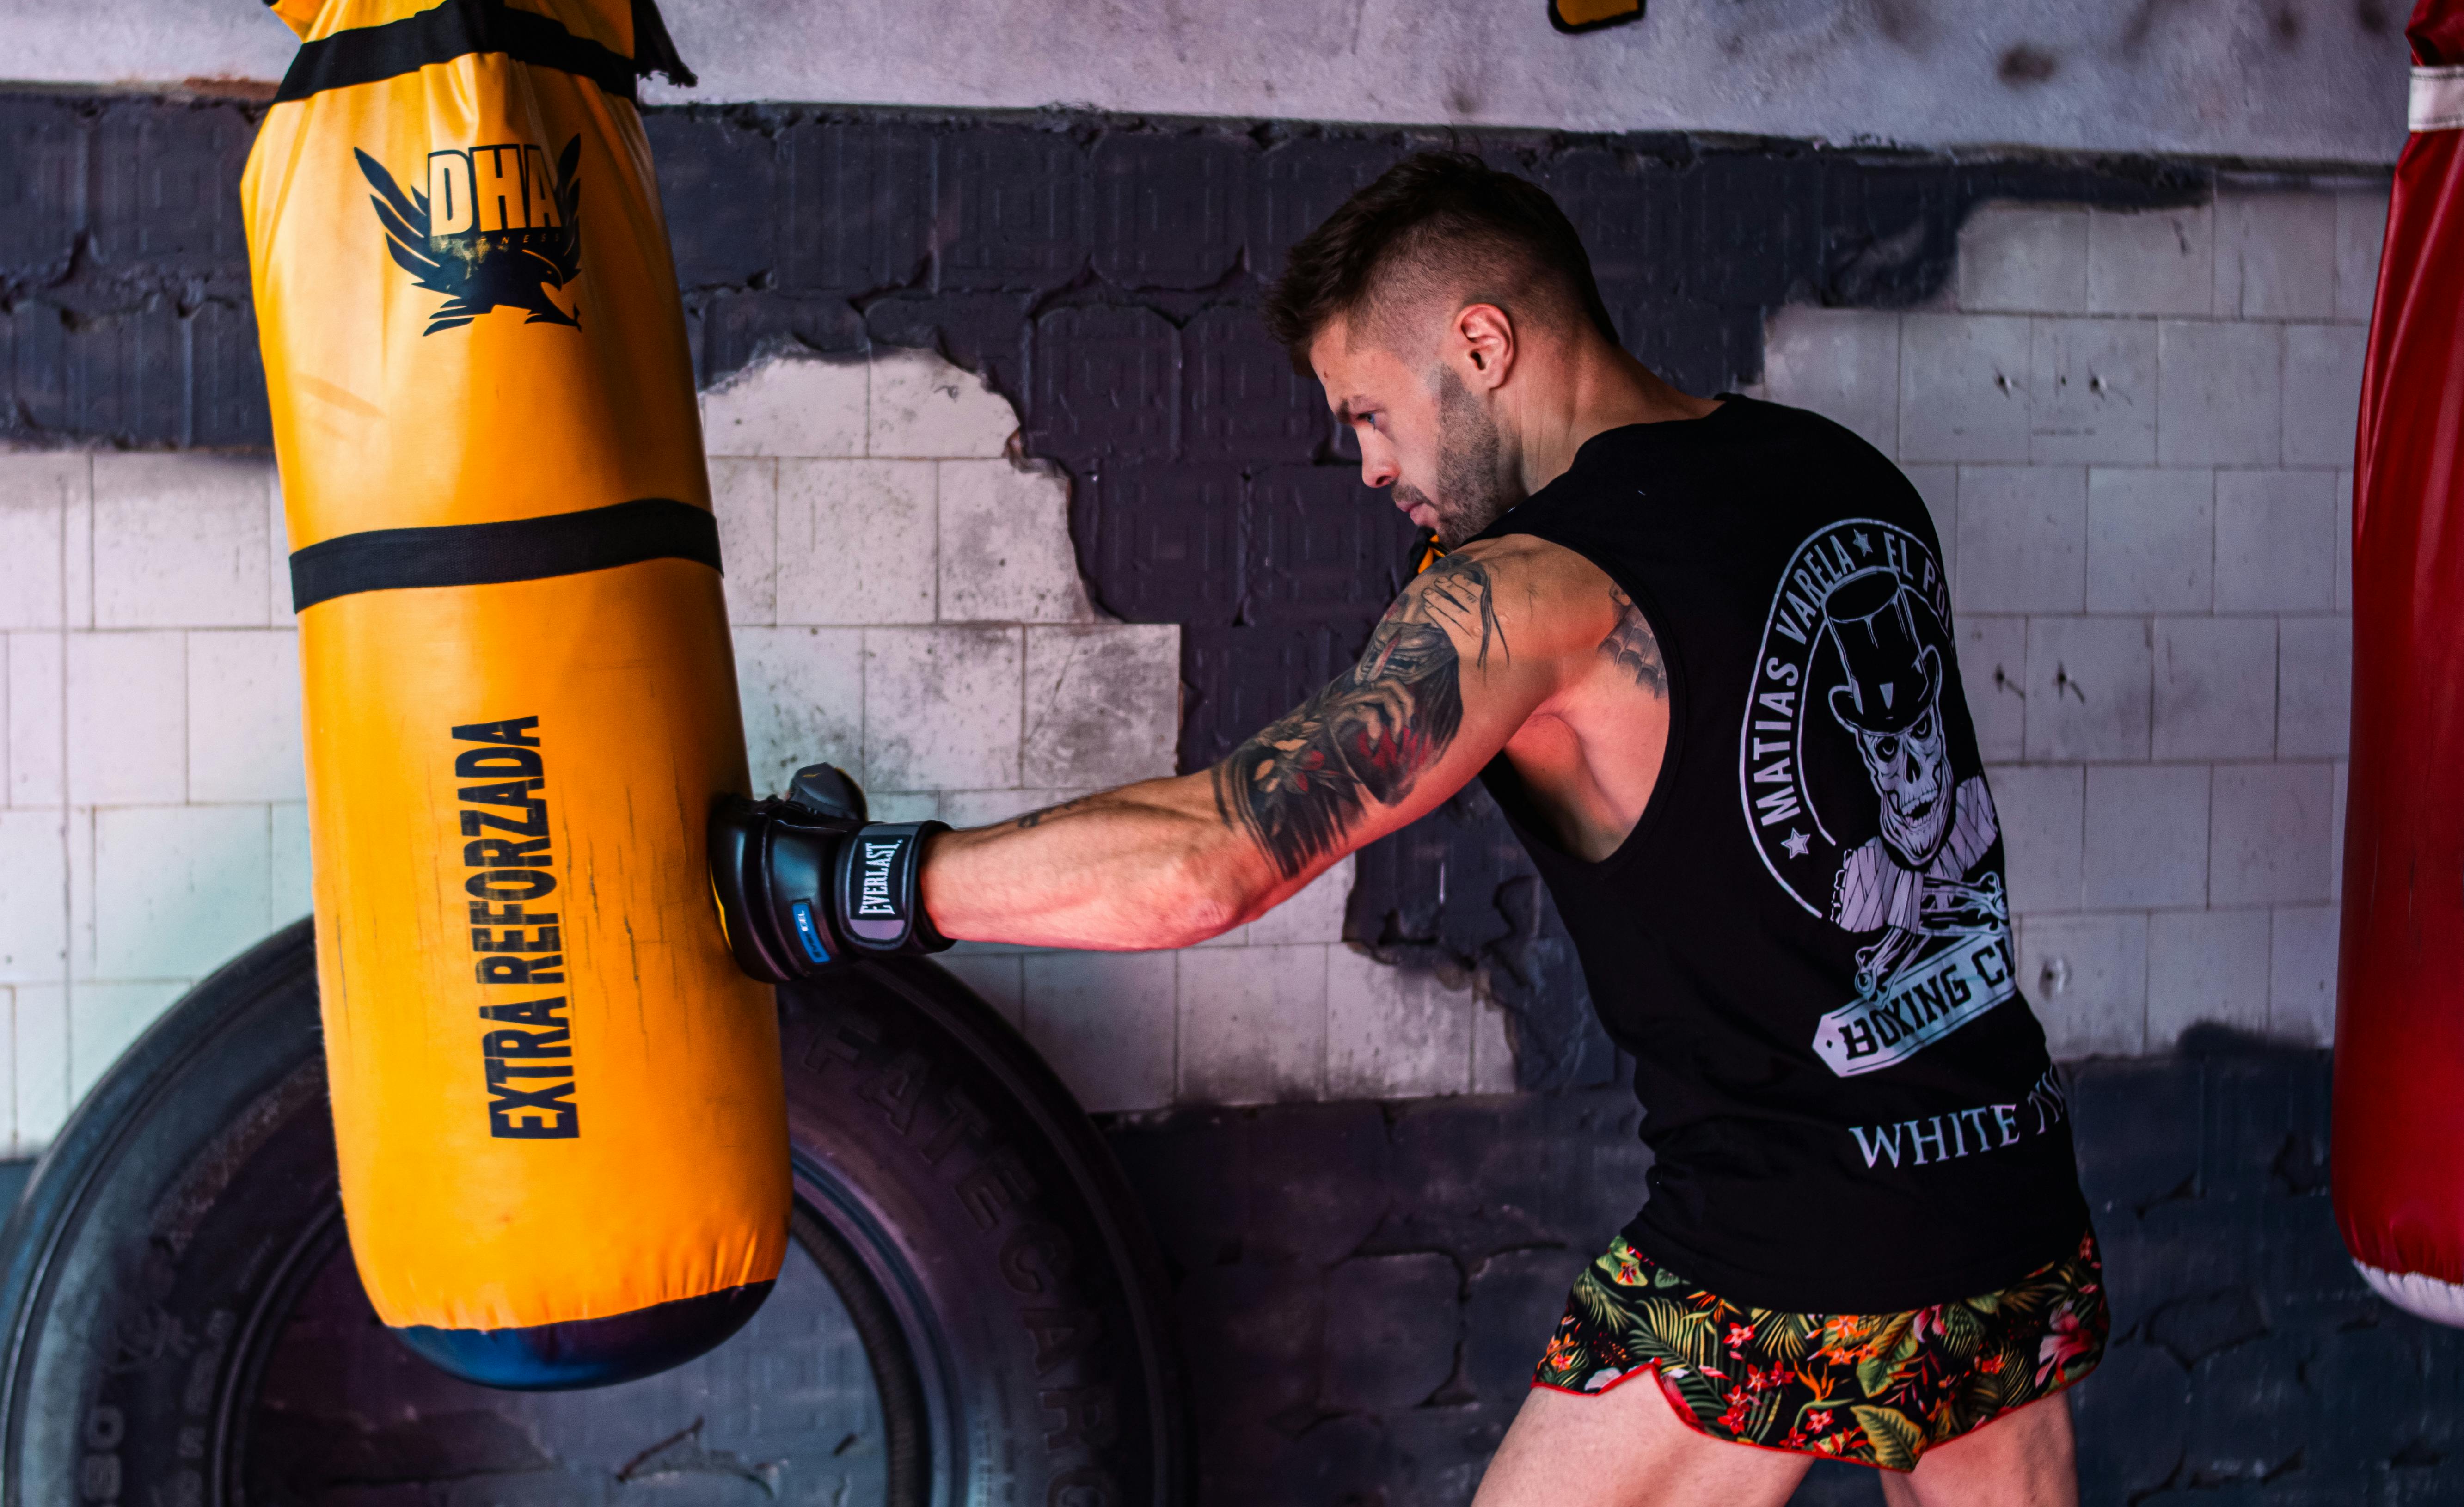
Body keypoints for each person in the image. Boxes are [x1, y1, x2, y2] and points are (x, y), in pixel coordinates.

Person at [711, 151, 2103, 1506]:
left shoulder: (1537, 592)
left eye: (1371, 411)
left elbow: (1220, 857)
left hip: (1793, 1242)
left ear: (1482, 344)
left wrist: (862, 888)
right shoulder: (1839, 475)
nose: (1367, 465)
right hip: (2007, 1189)